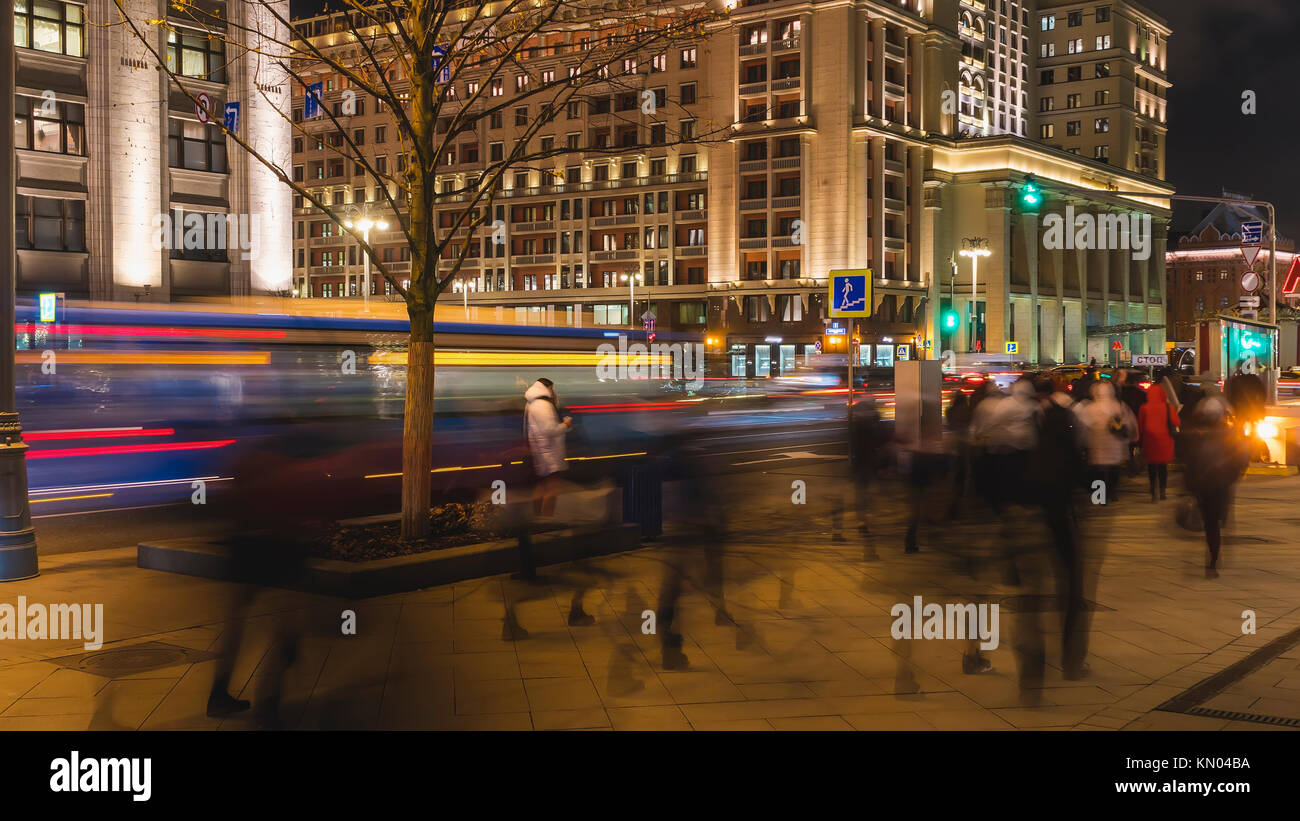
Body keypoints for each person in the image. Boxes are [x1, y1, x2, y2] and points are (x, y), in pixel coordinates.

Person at [1181, 384, 1248, 578]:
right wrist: (1234, 476)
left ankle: (1212, 559)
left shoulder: (1196, 436)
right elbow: (1240, 459)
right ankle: (1212, 560)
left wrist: (1189, 484)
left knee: (1210, 523)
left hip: (1204, 486)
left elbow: (1188, 461)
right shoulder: (1229, 436)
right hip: (1221, 485)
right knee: (1216, 523)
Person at [1074, 380, 1136, 503]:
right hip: (1115, 447)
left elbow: (1083, 427)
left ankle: (1100, 497)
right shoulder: (1118, 406)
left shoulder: (1090, 408)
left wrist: (1082, 442)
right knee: (1114, 470)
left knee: (1099, 473)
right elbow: (1129, 422)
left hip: (1098, 447)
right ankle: (1112, 492)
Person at [524, 377, 572, 516]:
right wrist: (565, 425)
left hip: (542, 450)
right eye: (552, 388)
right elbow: (549, 430)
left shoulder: (533, 402)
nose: (554, 391)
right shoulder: (542, 404)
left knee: (543, 485)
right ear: (547, 387)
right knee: (552, 487)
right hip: (548, 452)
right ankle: (546, 520)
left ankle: (537, 518)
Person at [1137, 382, 1179, 502]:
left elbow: (1140, 426)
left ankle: (1152, 491)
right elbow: (1176, 422)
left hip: (1149, 441)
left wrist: (1140, 441)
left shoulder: (1144, 408)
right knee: (1162, 467)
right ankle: (1162, 491)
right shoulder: (1167, 408)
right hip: (1164, 442)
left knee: (1151, 468)